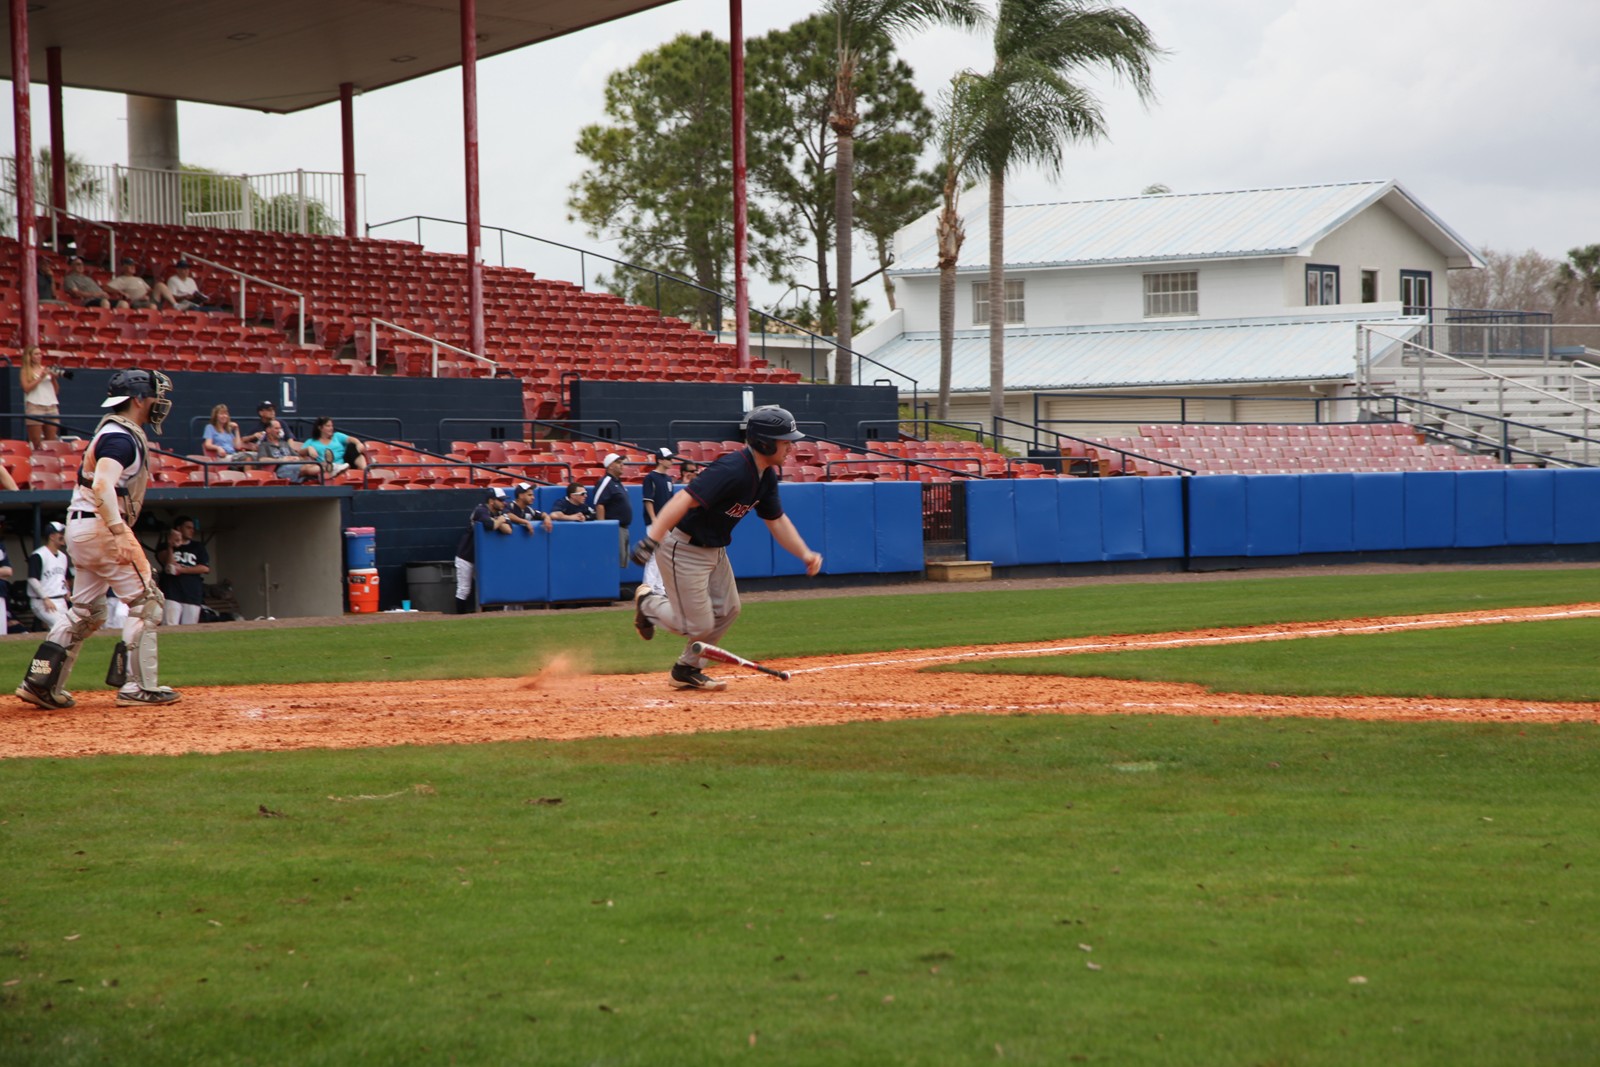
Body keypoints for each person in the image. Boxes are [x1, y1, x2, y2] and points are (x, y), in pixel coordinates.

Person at [16, 367, 181, 708]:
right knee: (147, 602)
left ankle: (41, 682)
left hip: (81, 528)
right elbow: (104, 484)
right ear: (137, 400)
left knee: (85, 612)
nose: (158, 403)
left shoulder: (112, 430)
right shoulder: (121, 438)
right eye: (153, 396)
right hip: (104, 526)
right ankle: (138, 687)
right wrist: (119, 532)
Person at [630, 406, 823, 691]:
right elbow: (683, 500)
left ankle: (686, 668)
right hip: (682, 548)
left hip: (714, 550)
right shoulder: (733, 468)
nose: (791, 447)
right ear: (765, 442)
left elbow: (776, 520)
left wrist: (804, 553)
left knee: (728, 610)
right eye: (785, 440)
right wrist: (652, 539)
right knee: (697, 625)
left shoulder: (766, 475)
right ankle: (648, 605)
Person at [452, 488, 512, 613]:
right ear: (491, 501)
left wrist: (498, 521)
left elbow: (509, 530)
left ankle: (485, 615)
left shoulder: (499, 512)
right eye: (500, 501)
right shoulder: (481, 510)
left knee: (487, 587)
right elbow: (490, 526)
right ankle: (459, 617)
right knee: (464, 589)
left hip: (482, 558)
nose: (504, 503)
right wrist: (500, 520)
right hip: (466, 555)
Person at [155, 516, 210, 626]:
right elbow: (169, 567)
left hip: (192, 593)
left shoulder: (198, 547)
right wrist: (170, 546)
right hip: (171, 593)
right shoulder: (163, 546)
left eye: (192, 528)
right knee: (169, 625)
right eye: (188, 527)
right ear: (179, 528)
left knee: (190, 627)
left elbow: (205, 568)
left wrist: (182, 570)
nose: (192, 530)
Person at [639, 448, 677, 595]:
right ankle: (647, 587)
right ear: (660, 460)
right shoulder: (650, 478)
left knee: (664, 556)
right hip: (655, 523)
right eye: (668, 458)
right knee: (654, 555)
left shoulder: (668, 479)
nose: (671, 461)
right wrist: (654, 519)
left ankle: (659, 588)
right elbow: (648, 500)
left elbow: (671, 502)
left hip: (666, 523)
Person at [27, 521, 71, 631]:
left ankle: (54, 647)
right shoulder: (39, 555)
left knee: (66, 630)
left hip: (60, 600)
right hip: (42, 601)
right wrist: (45, 598)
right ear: (51, 536)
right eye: (60, 533)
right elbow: (32, 579)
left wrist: (67, 590)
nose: (63, 536)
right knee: (61, 627)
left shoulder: (63, 557)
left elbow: (62, 578)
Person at [593, 452, 633, 567]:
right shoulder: (605, 482)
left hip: (624, 527)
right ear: (610, 466)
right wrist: (603, 528)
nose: (622, 465)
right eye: (618, 463)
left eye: (622, 463)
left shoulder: (618, 483)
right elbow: (599, 503)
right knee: (615, 560)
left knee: (623, 561)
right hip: (614, 528)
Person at [20, 345, 63, 449]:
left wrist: (53, 378)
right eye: (36, 354)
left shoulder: (46, 369)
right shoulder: (25, 371)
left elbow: (56, 391)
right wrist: (40, 378)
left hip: (51, 405)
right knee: (36, 441)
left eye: (40, 353)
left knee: (51, 441)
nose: (39, 356)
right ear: (30, 356)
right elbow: (26, 388)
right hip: (35, 406)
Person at [256, 417, 320, 482]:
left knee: (310, 464)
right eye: (276, 428)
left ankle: (323, 470)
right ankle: (323, 469)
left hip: (294, 466)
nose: (279, 431)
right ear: (268, 430)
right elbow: (262, 459)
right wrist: (281, 460)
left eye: (280, 428)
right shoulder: (264, 445)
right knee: (307, 468)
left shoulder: (285, 444)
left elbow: (298, 456)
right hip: (280, 470)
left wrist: (296, 458)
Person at [302, 416, 367, 476]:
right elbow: (300, 453)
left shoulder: (337, 436)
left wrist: (358, 443)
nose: (331, 428)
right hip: (325, 466)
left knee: (353, 447)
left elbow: (351, 439)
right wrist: (308, 448)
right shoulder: (311, 441)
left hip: (344, 464)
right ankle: (334, 467)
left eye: (332, 426)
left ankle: (366, 472)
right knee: (313, 467)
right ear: (320, 428)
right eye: (328, 426)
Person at [105, 257, 177, 310]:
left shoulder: (139, 279)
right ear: (123, 267)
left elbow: (149, 290)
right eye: (130, 265)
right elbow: (105, 287)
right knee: (152, 306)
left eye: (133, 265)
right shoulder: (120, 279)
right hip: (136, 302)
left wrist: (147, 295)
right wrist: (119, 291)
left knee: (160, 285)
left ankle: (175, 305)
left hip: (148, 299)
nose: (133, 267)